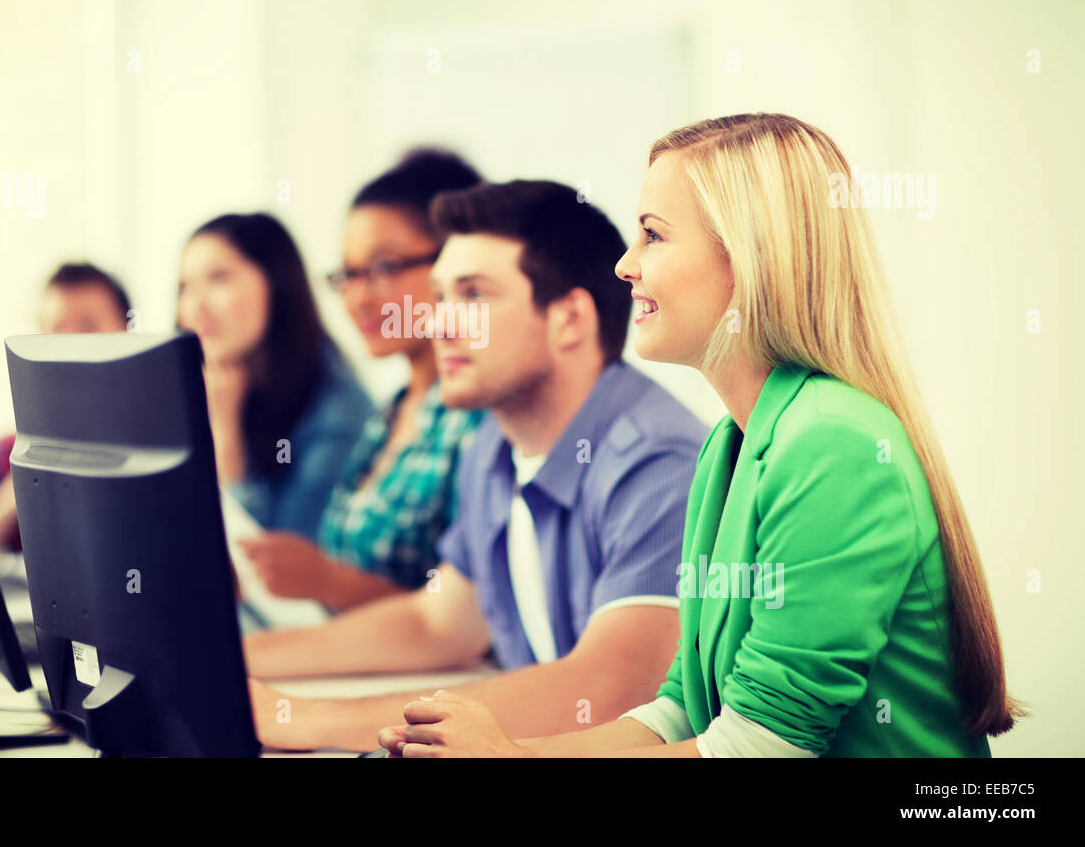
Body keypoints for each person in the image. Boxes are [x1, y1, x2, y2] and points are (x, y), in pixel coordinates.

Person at [378, 113, 1022, 757]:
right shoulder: (729, 445)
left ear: (749, 256)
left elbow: (760, 746)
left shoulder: (834, 444)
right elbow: (684, 709)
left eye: (653, 236)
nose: (625, 267)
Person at [244, 180, 707, 751]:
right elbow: (436, 623)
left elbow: (609, 689)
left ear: (569, 319)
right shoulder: (493, 444)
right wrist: (232, 660)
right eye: (440, 296)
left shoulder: (659, 461)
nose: (437, 324)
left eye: (473, 295)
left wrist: (300, 719)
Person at [238, 149, 487, 612]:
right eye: (348, 274)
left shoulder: (478, 419)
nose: (357, 298)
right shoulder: (391, 411)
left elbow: (468, 620)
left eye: (385, 268)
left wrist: (325, 580)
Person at [0, 261, 131, 572]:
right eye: (57, 330)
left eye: (88, 326)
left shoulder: (157, 445)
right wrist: (25, 478)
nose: (69, 346)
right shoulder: (7, 453)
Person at [176, 212, 372, 540]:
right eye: (185, 286)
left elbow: (273, 572)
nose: (196, 306)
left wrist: (225, 434)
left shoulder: (338, 415)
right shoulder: (200, 389)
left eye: (219, 278)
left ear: (277, 284)